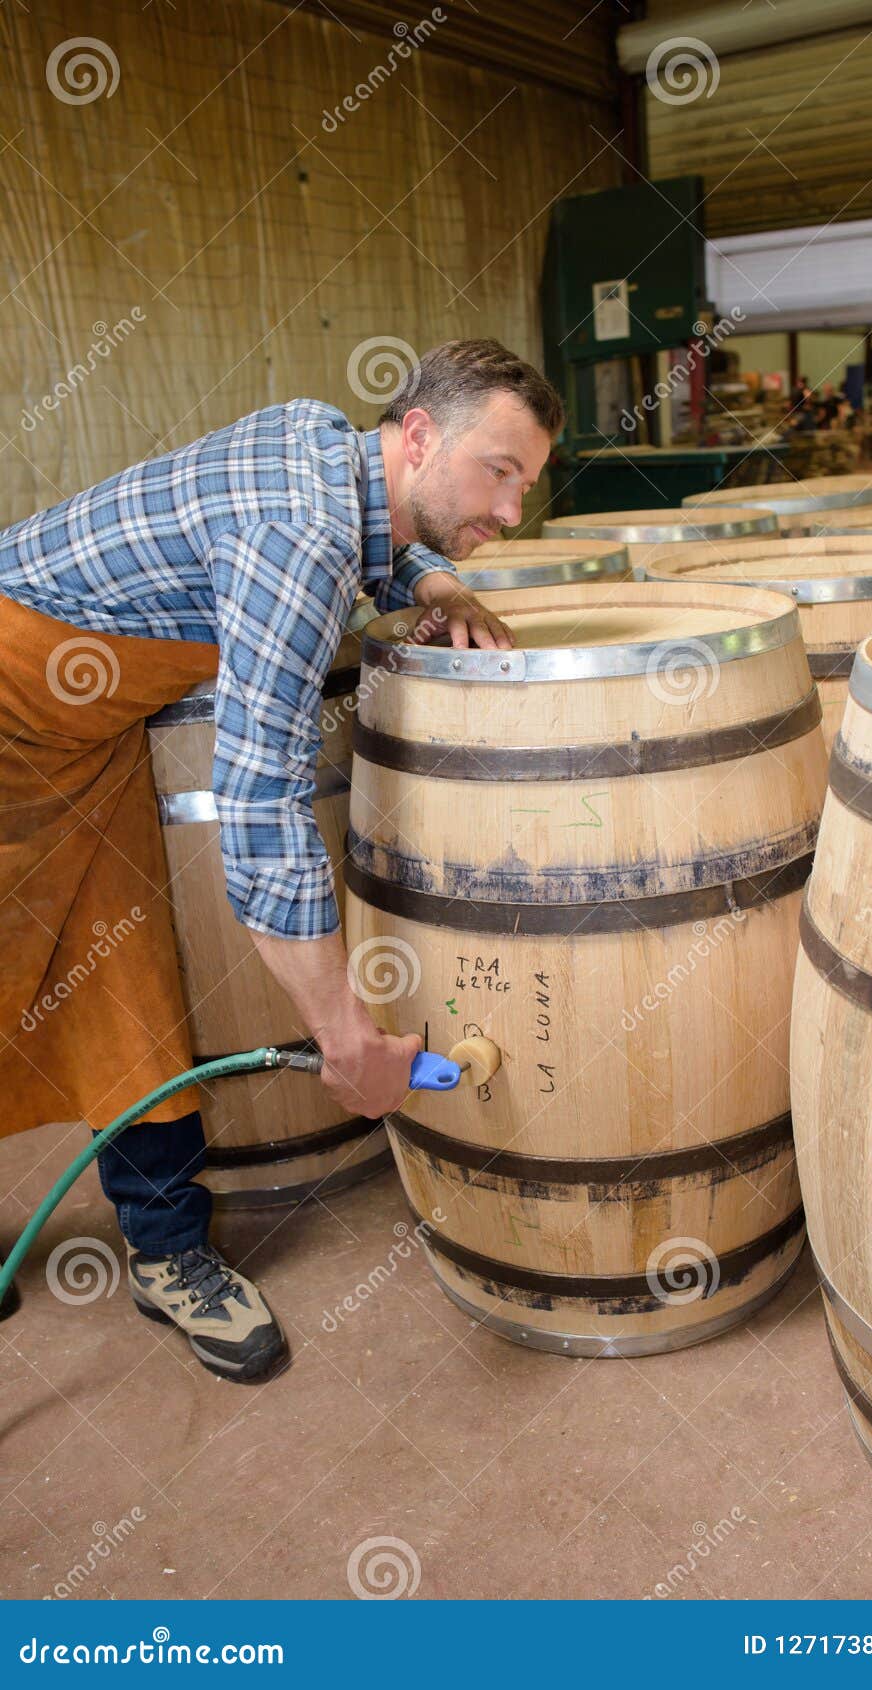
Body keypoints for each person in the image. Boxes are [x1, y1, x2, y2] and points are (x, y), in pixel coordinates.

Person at [0, 338, 564, 1378]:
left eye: (525, 482)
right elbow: (260, 806)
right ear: (422, 434)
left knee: (121, 985)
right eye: (499, 471)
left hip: (85, 737)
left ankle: (167, 1253)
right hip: (10, 704)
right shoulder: (299, 539)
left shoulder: (326, 440)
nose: (514, 509)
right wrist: (345, 1035)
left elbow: (387, 534)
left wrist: (438, 583)